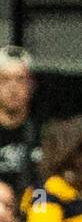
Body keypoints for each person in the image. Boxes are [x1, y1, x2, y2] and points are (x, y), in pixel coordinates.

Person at [0, 45, 41, 197]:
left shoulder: (45, 132)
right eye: (4, 79)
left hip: (37, 209)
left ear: (32, 84)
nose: (13, 87)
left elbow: (49, 186)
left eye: (20, 79)